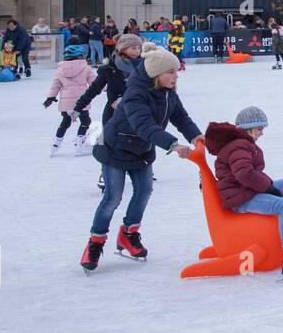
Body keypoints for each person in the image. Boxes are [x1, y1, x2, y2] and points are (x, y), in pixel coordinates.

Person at [81, 43, 202, 272]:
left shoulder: (168, 94)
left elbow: (182, 118)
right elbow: (144, 126)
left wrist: (197, 137)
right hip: (114, 148)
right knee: (112, 198)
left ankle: (128, 234)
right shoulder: (135, 94)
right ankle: (95, 243)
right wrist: (173, 145)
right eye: (171, 72)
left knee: (144, 191)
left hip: (141, 151)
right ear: (157, 74)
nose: (176, 76)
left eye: (176, 71)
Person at [203, 107, 283, 277]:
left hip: (245, 191)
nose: (262, 133)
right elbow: (244, 174)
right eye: (259, 129)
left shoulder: (240, 144)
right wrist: (268, 187)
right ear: (248, 128)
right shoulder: (239, 146)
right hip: (241, 199)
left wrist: (268, 186)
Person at [75, 34, 144, 191]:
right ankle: (104, 173)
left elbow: (149, 88)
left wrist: (125, 99)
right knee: (107, 143)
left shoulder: (145, 67)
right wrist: (79, 106)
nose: (137, 51)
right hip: (113, 114)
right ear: (123, 49)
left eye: (139, 47)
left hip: (136, 111)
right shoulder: (109, 69)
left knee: (141, 140)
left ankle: (142, 169)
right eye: (134, 47)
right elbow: (94, 89)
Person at [45, 44, 96, 155]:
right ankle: (79, 143)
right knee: (86, 121)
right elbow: (95, 83)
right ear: (81, 56)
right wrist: (108, 88)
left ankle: (56, 143)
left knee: (66, 122)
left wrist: (50, 97)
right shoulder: (86, 68)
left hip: (66, 102)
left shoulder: (60, 69)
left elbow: (55, 85)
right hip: (81, 102)